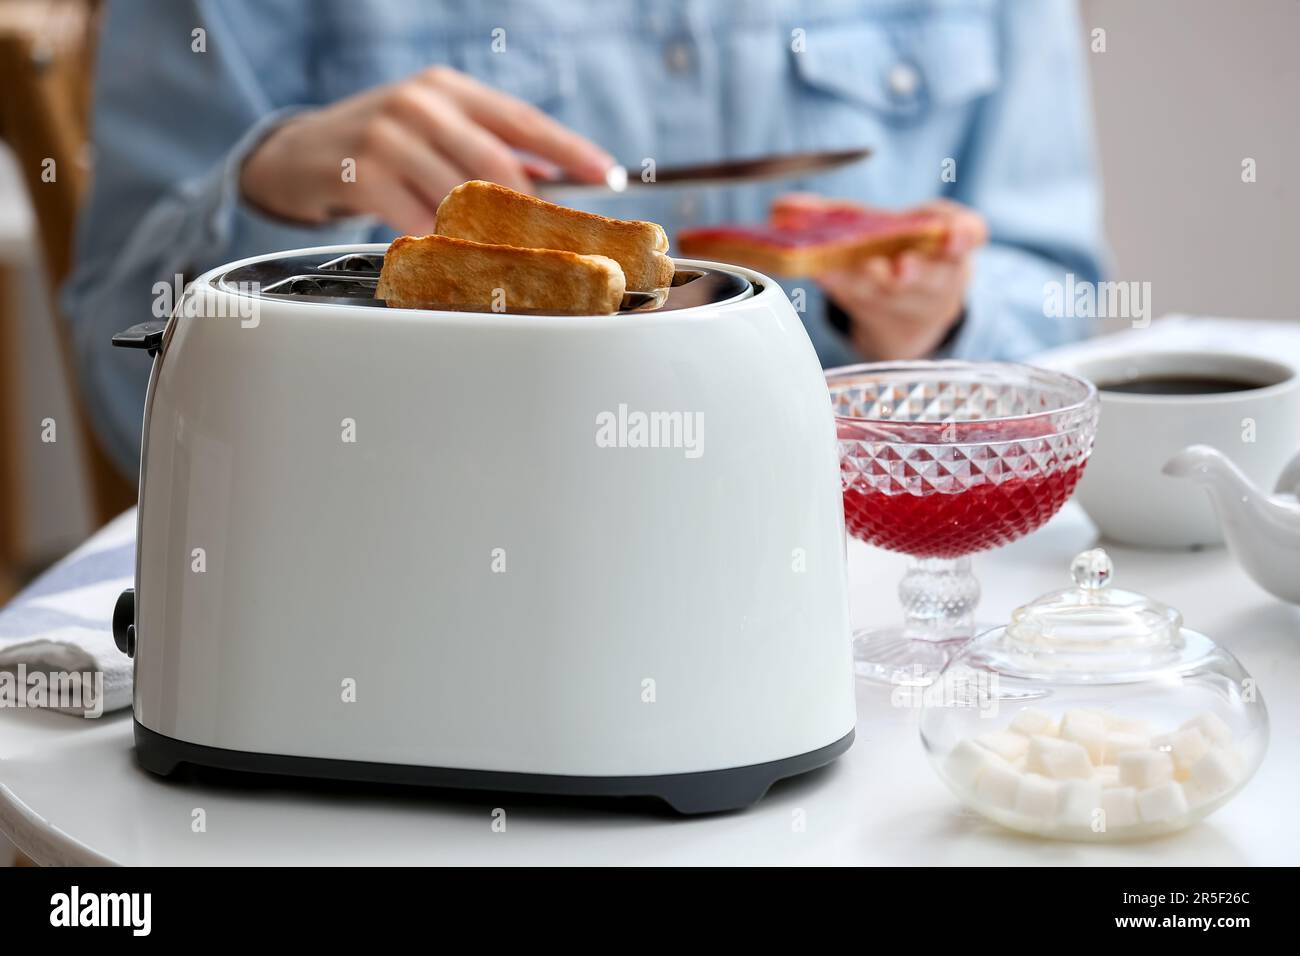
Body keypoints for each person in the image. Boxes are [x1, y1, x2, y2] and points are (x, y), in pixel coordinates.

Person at [64, 0, 1103, 477]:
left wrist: (942, 317)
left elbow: (1061, 301)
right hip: (428, 545)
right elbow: (132, 404)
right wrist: (277, 186)